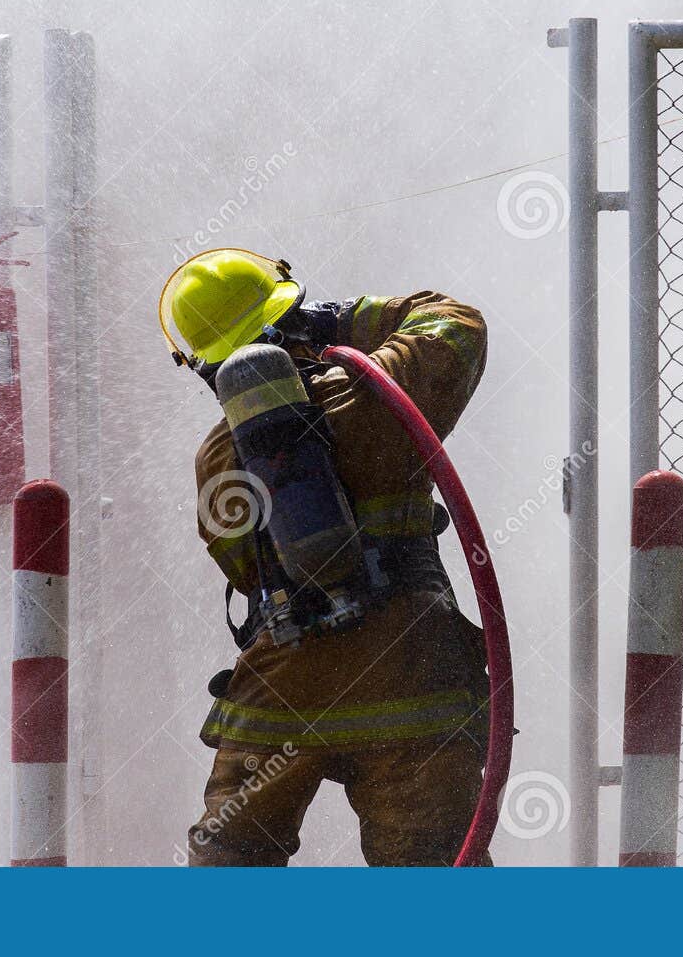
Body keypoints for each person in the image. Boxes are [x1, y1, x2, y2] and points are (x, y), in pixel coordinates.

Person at [159, 247, 491, 866]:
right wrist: (345, 320)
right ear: (295, 318)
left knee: (233, 860)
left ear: (209, 368)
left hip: (282, 691)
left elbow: (242, 567)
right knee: (431, 872)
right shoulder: (384, 396)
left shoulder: (216, 459)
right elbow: (457, 323)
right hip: (412, 679)